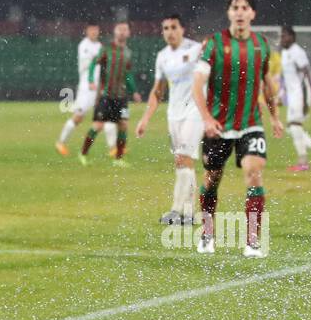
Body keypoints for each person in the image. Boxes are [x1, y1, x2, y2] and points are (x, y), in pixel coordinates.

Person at [191, 0, 284, 257]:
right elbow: (197, 85)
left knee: (254, 172)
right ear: (229, 13)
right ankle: (207, 233)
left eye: (245, 7)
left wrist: (275, 117)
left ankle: (253, 241)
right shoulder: (213, 44)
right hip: (218, 126)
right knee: (212, 179)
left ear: (253, 14)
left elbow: (267, 84)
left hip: (251, 123)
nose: (240, 12)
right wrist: (207, 118)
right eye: (235, 7)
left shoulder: (262, 45)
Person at [135, 15, 203, 225]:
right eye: (166, 28)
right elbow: (158, 91)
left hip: (194, 112)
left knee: (185, 157)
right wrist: (145, 118)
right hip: (173, 114)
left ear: (183, 29)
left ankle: (182, 210)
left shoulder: (196, 49)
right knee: (180, 161)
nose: (170, 32)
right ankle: (186, 212)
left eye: (174, 27)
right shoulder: (162, 57)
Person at [79, 21, 141, 166]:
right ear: (115, 32)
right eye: (119, 29)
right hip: (106, 95)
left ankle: (118, 160)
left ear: (128, 33)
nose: (122, 32)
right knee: (98, 126)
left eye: (125, 30)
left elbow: (128, 74)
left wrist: (134, 91)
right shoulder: (106, 49)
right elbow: (94, 64)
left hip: (121, 96)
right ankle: (83, 154)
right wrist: (90, 80)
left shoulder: (128, 52)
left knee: (123, 125)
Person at [278, 25, 311, 172]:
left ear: (292, 37)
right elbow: (288, 78)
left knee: (294, 125)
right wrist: (281, 95)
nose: (282, 39)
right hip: (293, 95)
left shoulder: (297, 52)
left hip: (301, 94)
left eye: (284, 36)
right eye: (281, 36)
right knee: (292, 128)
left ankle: (303, 161)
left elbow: (307, 72)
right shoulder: (285, 53)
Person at [55, 23, 101, 156]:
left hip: (98, 88)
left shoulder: (100, 46)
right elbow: (89, 63)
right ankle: (61, 142)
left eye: (96, 29)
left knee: (105, 118)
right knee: (79, 117)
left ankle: (113, 149)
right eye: (91, 29)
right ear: (87, 31)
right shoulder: (83, 45)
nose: (94, 32)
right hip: (86, 87)